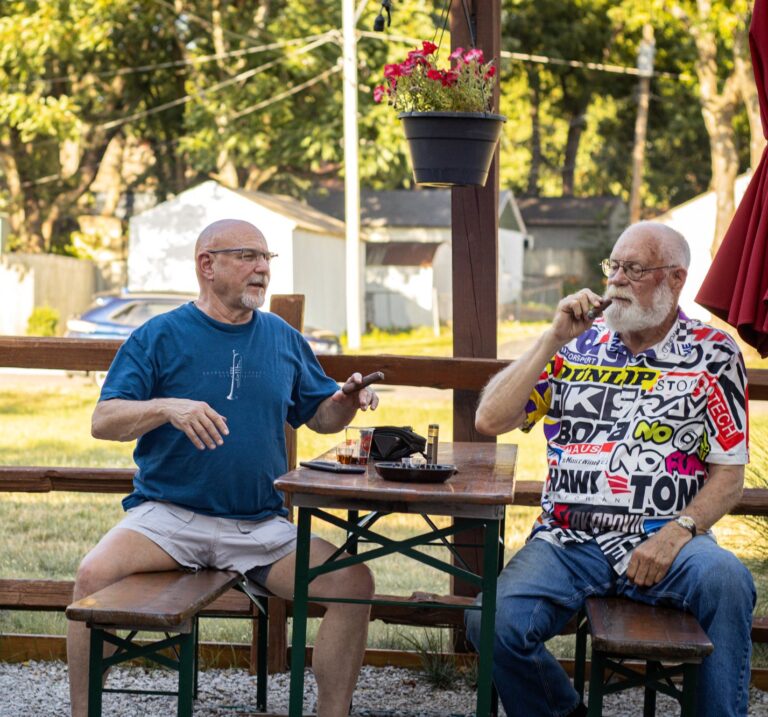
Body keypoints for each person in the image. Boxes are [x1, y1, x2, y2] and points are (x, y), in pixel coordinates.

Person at [66, 219, 377, 717]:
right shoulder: (158, 335)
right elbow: (104, 419)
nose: (261, 269)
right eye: (247, 256)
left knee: (352, 583)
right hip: (169, 517)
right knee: (91, 576)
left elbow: (321, 415)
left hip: (259, 526)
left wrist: (347, 398)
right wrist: (168, 407)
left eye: (266, 259)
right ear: (206, 266)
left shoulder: (281, 337)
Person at [468, 221, 755, 717]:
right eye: (614, 266)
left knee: (727, 580)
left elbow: (729, 476)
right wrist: (550, 339)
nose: (616, 280)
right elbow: (489, 419)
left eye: (635, 269)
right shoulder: (575, 346)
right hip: (568, 541)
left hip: (665, 541)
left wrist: (678, 532)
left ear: (675, 279)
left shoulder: (714, 353)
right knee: (489, 620)